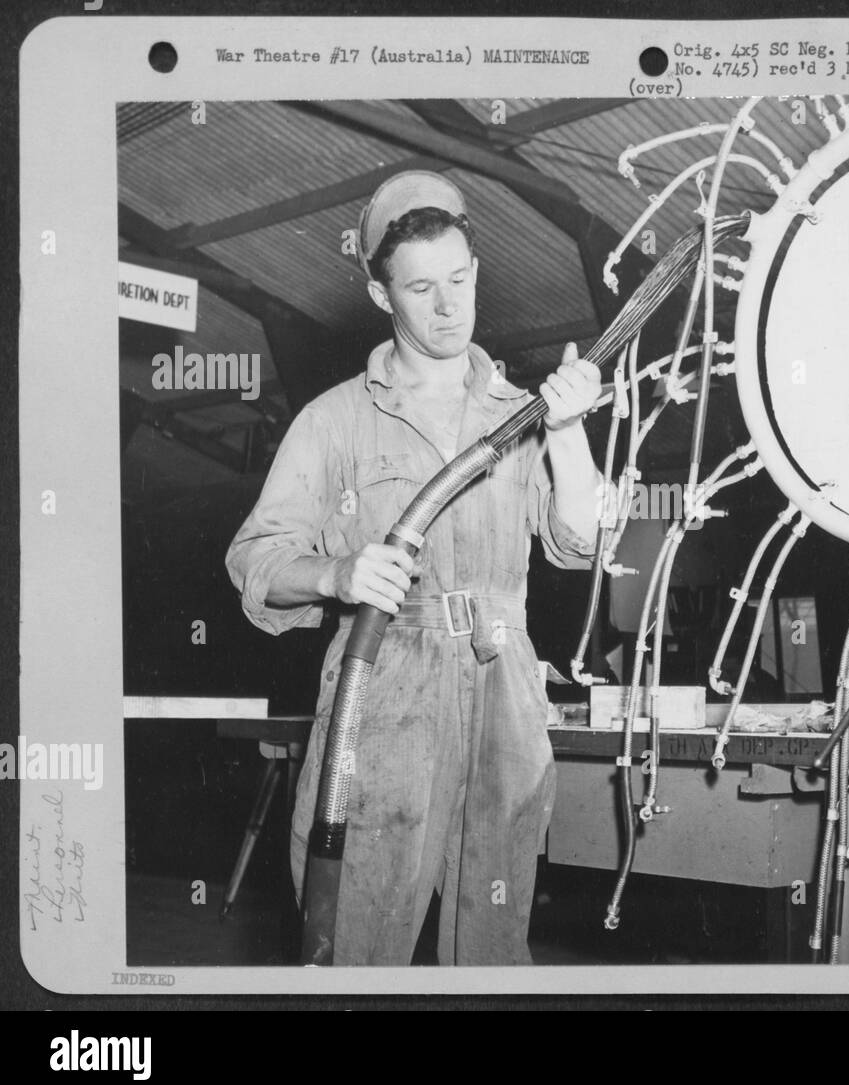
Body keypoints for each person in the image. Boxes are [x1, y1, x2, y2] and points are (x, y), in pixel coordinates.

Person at [226, 170, 605, 965]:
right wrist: (336, 575)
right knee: (356, 934)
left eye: (460, 281)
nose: (447, 307)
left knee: (495, 949)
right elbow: (256, 561)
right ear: (379, 294)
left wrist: (569, 433)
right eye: (422, 288)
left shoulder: (524, 415)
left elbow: (582, 544)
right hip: (386, 690)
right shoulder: (334, 419)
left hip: (505, 690)